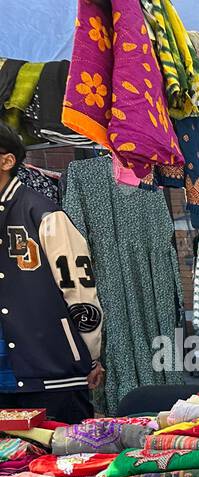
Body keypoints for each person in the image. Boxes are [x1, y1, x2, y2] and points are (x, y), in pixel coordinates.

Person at [0, 124, 103, 422]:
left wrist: (89, 355)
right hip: (6, 372)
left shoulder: (45, 214)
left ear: (7, 161)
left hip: (51, 370)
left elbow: (79, 288)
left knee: (62, 463)